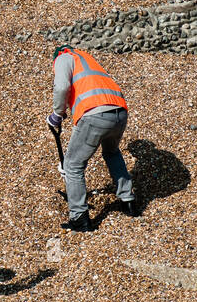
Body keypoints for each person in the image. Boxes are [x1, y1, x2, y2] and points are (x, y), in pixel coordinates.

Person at [48, 44, 136, 231]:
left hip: (95, 115)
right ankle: (128, 201)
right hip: (120, 112)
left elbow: (62, 86)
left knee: (72, 165)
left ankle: (79, 217)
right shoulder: (87, 59)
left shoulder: (64, 57)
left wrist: (57, 114)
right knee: (112, 153)